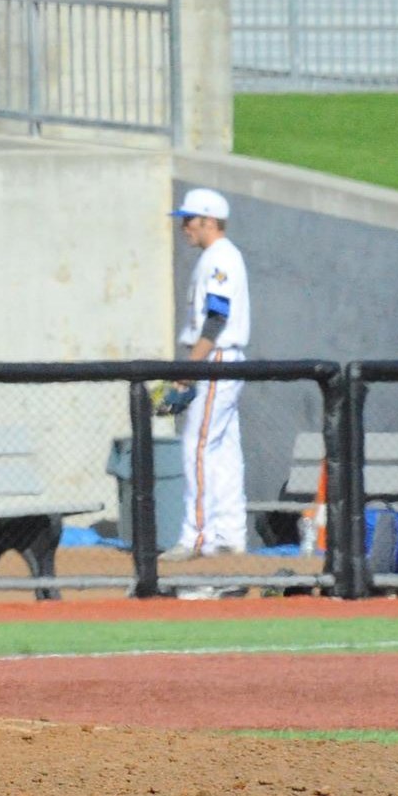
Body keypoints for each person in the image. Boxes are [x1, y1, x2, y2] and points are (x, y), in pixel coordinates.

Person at [170, 187, 250, 555]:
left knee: (197, 447)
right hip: (223, 359)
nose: (184, 226)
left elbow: (217, 317)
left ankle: (197, 535)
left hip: (215, 358)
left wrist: (190, 367)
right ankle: (230, 535)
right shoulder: (220, 256)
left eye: (189, 219)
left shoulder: (219, 257)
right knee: (223, 448)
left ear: (208, 220)